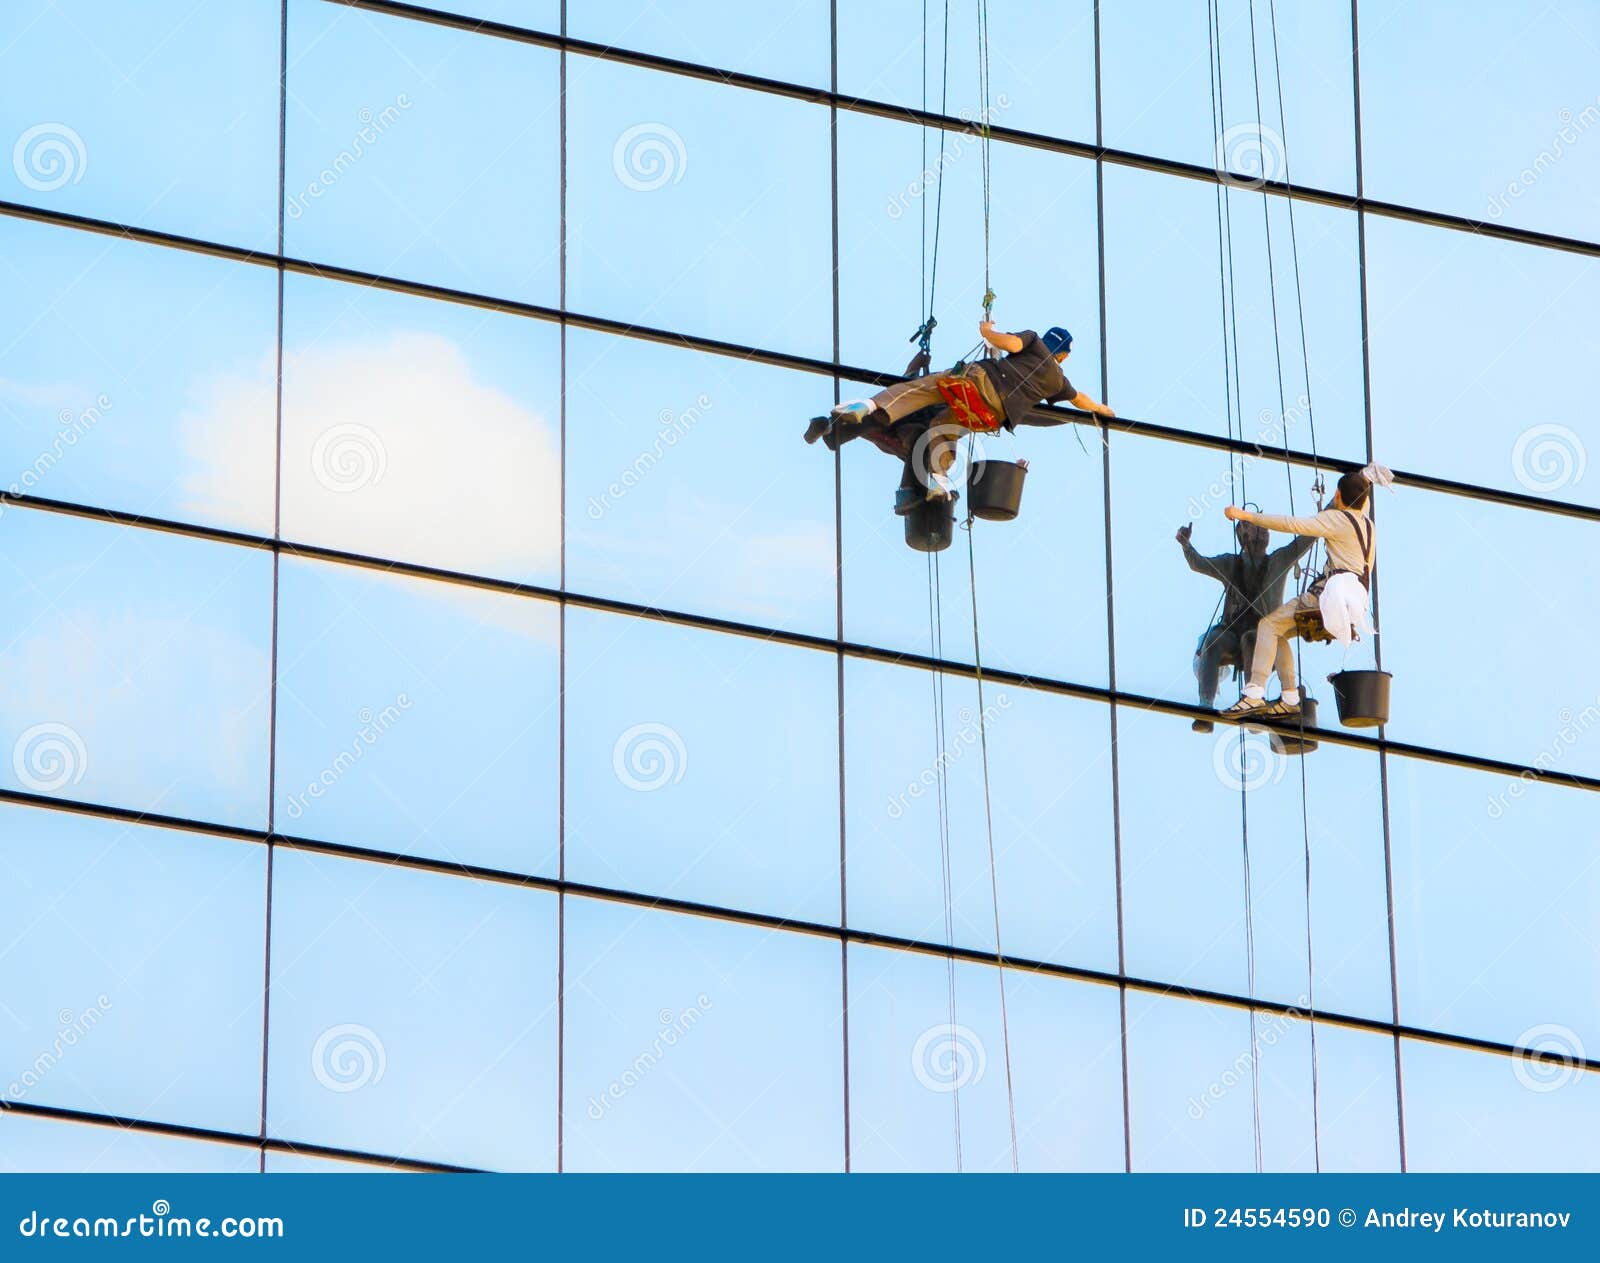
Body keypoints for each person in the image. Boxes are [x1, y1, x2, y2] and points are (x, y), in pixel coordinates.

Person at [804, 321, 1114, 511]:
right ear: (1065, 356)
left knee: (922, 389)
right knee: (943, 429)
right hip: (993, 414)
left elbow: (1012, 343)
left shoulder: (1032, 341)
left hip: (978, 383)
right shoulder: (1058, 381)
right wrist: (1101, 410)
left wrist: (988, 332)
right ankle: (938, 475)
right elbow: (1079, 400)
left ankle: (869, 406)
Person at [1219, 468, 1378, 718]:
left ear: (1337, 495)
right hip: (1352, 603)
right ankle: (1290, 697)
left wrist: (1244, 515)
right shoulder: (1367, 525)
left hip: (1326, 597)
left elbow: (1291, 524)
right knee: (1276, 631)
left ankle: (1254, 694)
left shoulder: (1336, 520)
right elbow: (1361, 501)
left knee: (1268, 625)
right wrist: (1366, 478)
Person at [1177, 517, 1314, 732]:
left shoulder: (1279, 560)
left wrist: (1331, 512)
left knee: (1251, 639)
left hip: (1261, 639)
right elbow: (1198, 564)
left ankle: (1253, 706)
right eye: (1247, 528)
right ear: (1241, 538)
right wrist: (1186, 545)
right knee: (1213, 641)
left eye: (1257, 528)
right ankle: (1205, 708)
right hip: (1231, 635)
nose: (1255, 533)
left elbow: (1307, 538)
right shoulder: (1231, 564)